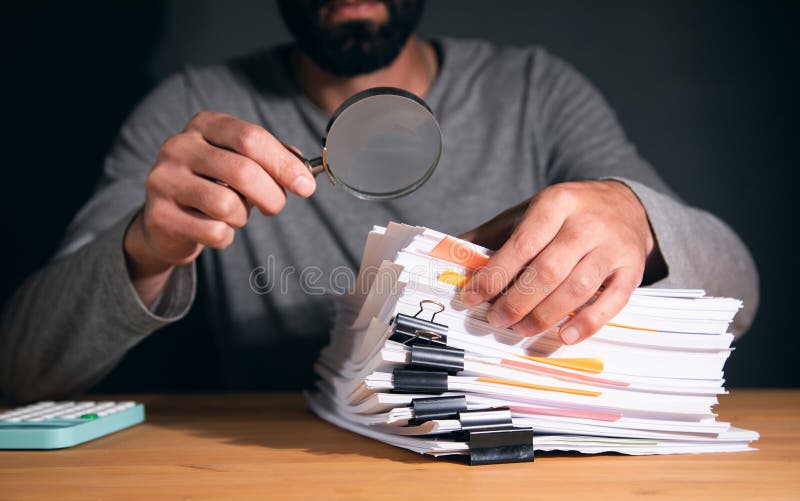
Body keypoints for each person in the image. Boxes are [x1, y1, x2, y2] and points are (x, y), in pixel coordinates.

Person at [0, 0, 758, 402]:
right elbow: (22, 368)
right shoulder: (196, 107)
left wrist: (632, 216)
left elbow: (738, 289)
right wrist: (144, 250)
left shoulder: (536, 91)